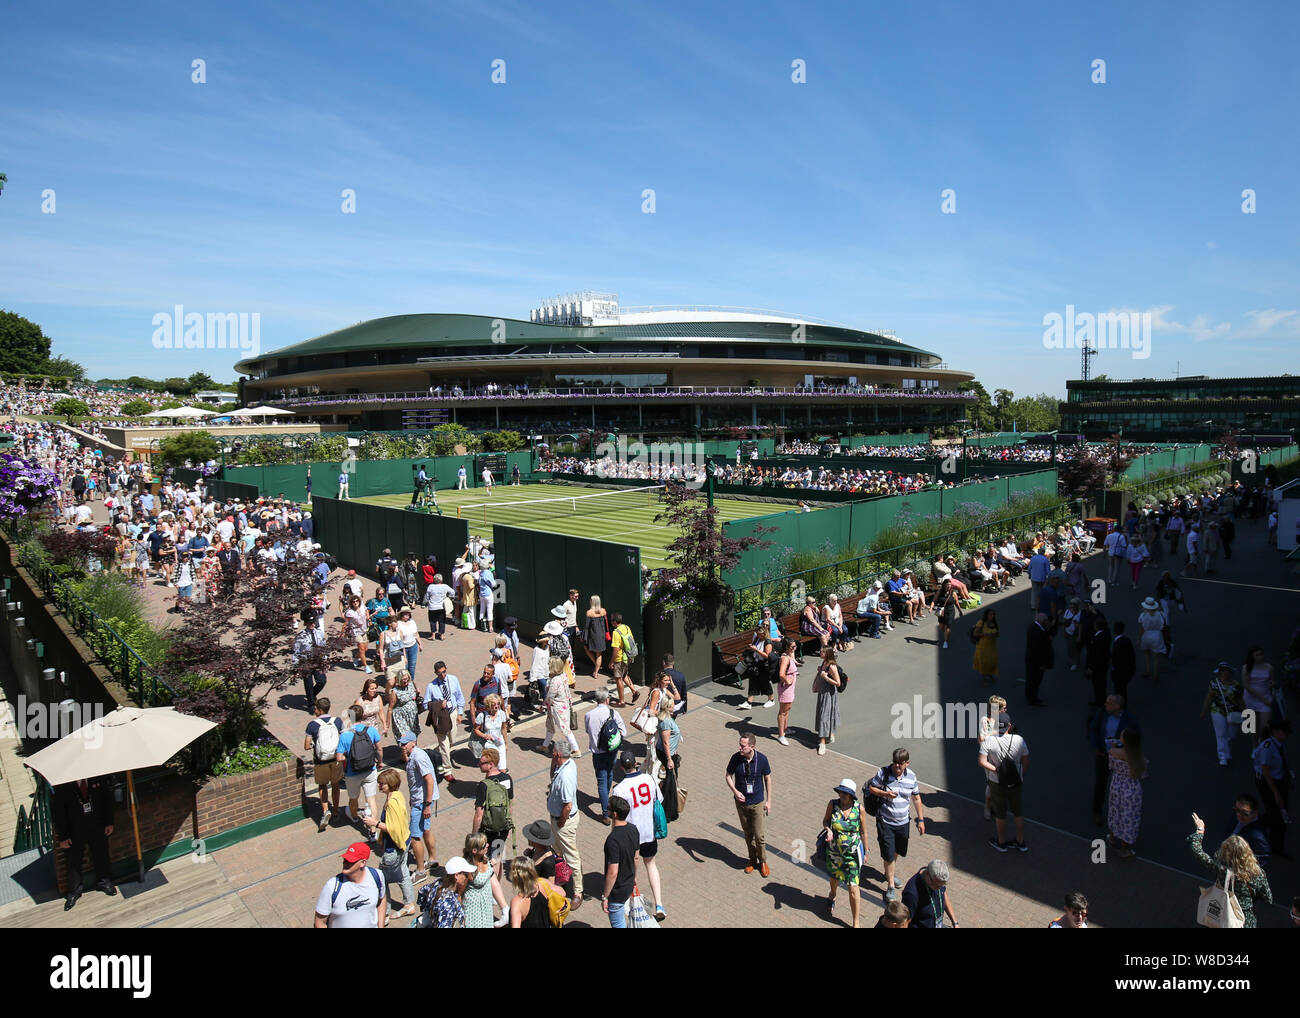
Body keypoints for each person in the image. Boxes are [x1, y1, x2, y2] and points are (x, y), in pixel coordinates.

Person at [610, 749, 667, 921]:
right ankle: (659, 904)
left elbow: (617, 818)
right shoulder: (649, 779)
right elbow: (660, 800)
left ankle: (632, 900)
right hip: (649, 831)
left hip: (630, 835)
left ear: (621, 767)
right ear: (636, 763)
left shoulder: (619, 789)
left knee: (631, 869)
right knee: (651, 865)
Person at [1188, 813, 1272, 928]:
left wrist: (1200, 829)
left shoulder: (1221, 869)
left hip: (1222, 915)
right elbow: (1268, 899)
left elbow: (1198, 852)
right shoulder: (1258, 873)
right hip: (1244, 919)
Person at [866, 748, 925, 902]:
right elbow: (872, 788)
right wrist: (885, 794)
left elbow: (916, 798)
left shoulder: (911, 777)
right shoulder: (883, 773)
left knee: (897, 851)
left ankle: (889, 873)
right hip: (885, 822)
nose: (897, 766)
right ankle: (891, 885)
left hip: (903, 822)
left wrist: (921, 819)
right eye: (895, 763)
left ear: (907, 763)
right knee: (888, 854)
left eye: (900, 764)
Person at [362, 768, 417, 923]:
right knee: (404, 872)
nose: (379, 786)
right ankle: (409, 904)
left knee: (382, 880)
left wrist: (375, 823)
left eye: (382, 784)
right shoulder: (397, 795)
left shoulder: (392, 803)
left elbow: (393, 828)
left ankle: (384, 913)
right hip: (404, 842)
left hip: (393, 847)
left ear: (390, 784)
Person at [53, 776, 116, 911]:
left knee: (101, 854)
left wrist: (109, 822)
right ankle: (74, 892)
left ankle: (105, 882)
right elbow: (59, 811)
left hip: (96, 825)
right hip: (74, 830)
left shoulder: (96, 778)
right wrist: (63, 836)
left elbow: (106, 800)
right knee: (73, 861)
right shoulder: (64, 785)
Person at [1088, 694, 1139, 825]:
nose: (1105, 705)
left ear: (1117, 706)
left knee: (1120, 786)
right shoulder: (1102, 713)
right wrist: (1096, 746)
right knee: (1100, 783)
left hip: (1121, 757)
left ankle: (1118, 814)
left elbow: (1136, 737)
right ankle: (1097, 811)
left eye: (1109, 703)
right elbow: (1093, 729)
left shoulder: (1129, 720)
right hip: (1103, 754)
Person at [726, 733, 772, 876]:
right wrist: (734, 790)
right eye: (740, 744)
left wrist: (769, 801)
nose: (740, 747)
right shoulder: (736, 758)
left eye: (743, 745)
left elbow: (767, 779)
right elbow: (728, 775)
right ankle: (752, 860)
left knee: (759, 835)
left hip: (757, 802)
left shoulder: (762, 759)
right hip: (741, 803)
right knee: (748, 833)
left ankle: (763, 860)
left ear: (752, 746)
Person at [820, 779, 864, 927]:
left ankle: (856, 922)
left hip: (851, 856)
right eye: (840, 792)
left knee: (853, 888)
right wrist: (829, 829)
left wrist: (866, 850)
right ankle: (832, 894)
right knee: (834, 879)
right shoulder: (833, 804)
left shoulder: (859, 809)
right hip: (834, 853)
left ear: (851, 795)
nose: (842, 795)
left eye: (845, 793)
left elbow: (863, 831)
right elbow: (825, 821)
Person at [980, 723, 1030, 852]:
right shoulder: (1019, 739)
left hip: (997, 782)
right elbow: (1026, 761)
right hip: (1015, 781)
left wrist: (996, 770)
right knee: (1018, 811)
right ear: (1009, 726)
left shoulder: (989, 741)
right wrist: (1021, 775)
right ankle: (1020, 842)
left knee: (1000, 813)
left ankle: (1001, 843)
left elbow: (982, 761)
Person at [546, 742, 584, 910]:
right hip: (557, 820)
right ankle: (562, 876)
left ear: (558, 755)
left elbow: (567, 805)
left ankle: (578, 892)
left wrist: (561, 821)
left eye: (553, 754)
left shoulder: (565, 775)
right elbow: (550, 777)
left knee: (571, 856)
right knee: (557, 851)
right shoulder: (566, 764)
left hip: (564, 822)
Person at [314, 842, 385, 928]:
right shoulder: (332, 886)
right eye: (345, 859)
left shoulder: (377, 876)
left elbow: (382, 899)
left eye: (351, 860)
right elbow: (319, 922)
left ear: (363, 863)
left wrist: (381, 926)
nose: (345, 862)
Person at [585, 688, 627, 823]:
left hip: (598, 753)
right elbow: (623, 732)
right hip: (612, 751)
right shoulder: (613, 713)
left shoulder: (589, 715)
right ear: (607, 699)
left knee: (601, 781)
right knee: (609, 774)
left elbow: (587, 730)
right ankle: (605, 798)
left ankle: (605, 813)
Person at [337, 708, 382, 834]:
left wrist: (348, 756)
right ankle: (373, 830)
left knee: (353, 798)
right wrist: (380, 762)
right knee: (371, 799)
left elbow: (339, 757)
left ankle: (354, 817)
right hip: (370, 769)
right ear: (363, 716)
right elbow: (379, 749)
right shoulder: (371, 730)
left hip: (352, 773)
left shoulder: (344, 735)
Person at [399, 733, 439, 876]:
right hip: (420, 799)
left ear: (413, 743)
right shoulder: (414, 755)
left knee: (415, 836)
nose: (401, 746)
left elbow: (429, 780)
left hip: (422, 802)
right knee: (426, 829)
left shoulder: (418, 757)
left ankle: (420, 871)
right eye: (401, 743)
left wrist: (427, 805)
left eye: (404, 744)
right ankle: (432, 859)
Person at [1252, 720, 1292, 857]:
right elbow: (1265, 770)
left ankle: (1273, 845)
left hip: (1279, 781)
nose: (1286, 735)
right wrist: (1276, 792)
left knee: (1278, 814)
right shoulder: (1268, 747)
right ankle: (1254, 831)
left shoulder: (1279, 745)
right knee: (1275, 815)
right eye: (1284, 732)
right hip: (1268, 783)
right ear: (1276, 732)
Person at [1107, 728, 1148, 859]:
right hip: (1132, 790)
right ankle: (1124, 849)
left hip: (1117, 786)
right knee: (1129, 818)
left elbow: (1111, 766)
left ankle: (1112, 837)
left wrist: (1113, 746)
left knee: (1115, 811)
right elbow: (1143, 775)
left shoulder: (1114, 752)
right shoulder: (1140, 759)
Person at [305, 698, 344, 832]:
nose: (314, 710)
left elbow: (306, 746)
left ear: (320, 710)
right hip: (336, 759)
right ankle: (336, 811)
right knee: (336, 784)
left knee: (322, 785)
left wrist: (313, 744)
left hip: (321, 761)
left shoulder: (312, 725)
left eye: (315, 708)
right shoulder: (338, 721)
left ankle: (325, 810)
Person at [601, 795, 640, 928]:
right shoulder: (633, 829)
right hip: (628, 883)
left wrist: (605, 896)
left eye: (608, 809)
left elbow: (613, 872)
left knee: (618, 924)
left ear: (615, 814)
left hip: (617, 891)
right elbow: (636, 857)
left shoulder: (613, 840)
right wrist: (634, 877)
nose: (607, 810)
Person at [472, 746, 514, 868]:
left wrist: (474, 836)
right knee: (498, 858)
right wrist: (509, 824)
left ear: (491, 764)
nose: (479, 764)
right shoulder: (507, 779)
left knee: (485, 860)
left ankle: (490, 885)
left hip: (488, 829)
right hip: (503, 827)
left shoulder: (484, 785)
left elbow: (479, 815)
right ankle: (498, 884)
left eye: (481, 763)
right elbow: (510, 804)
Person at [423, 662, 465, 783]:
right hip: (441, 717)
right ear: (435, 673)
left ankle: (435, 752)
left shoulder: (453, 679)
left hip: (452, 713)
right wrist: (438, 704)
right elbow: (426, 704)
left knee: (452, 741)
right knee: (445, 745)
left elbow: (459, 696)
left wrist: (460, 713)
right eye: (439, 673)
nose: (442, 675)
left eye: (444, 672)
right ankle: (447, 771)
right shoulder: (431, 686)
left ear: (446, 669)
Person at [1201, 661, 1245, 767]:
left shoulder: (1236, 686)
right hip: (1217, 711)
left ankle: (1226, 749)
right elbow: (1209, 697)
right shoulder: (1215, 684)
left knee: (1232, 735)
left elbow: (1240, 700)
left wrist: (1245, 711)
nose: (1224, 674)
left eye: (1226, 672)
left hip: (1233, 712)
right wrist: (1204, 711)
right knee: (1220, 734)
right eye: (1222, 672)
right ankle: (1223, 756)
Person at [461, 833, 510, 928]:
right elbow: (459, 892)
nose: (488, 845)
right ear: (475, 850)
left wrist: (492, 864)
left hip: (486, 904)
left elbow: (491, 875)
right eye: (484, 845)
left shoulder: (484, 858)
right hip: (473, 909)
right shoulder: (467, 869)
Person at [901, 859, 960, 928]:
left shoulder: (936, 881)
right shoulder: (912, 894)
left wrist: (955, 922)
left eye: (941, 886)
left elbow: (943, 894)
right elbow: (905, 922)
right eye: (937, 885)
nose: (938, 888)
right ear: (927, 873)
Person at [541, 657, 582, 757]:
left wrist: (543, 705)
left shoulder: (555, 680)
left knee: (565, 729)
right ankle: (545, 745)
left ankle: (576, 750)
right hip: (564, 705)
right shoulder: (563, 675)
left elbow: (550, 696)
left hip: (558, 708)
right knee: (550, 726)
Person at [292, 609, 328, 712]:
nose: (312, 624)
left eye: (313, 622)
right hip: (306, 662)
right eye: (310, 623)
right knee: (308, 683)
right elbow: (296, 651)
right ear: (305, 623)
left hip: (317, 661)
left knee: (322, 681)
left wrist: (325, 659)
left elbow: (323, 646)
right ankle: (311, 703)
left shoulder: (319, 633)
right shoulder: (301, 636)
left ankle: (311, 695)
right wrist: (296, 664)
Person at [1226, 795, 1271, 870]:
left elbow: (1260, 863)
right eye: (1236, 810)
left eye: (1245, 813)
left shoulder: (1258, 838)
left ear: (1255, 813)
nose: (1238, 815)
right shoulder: (1236, 818)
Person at [1242, 646, 1276, 744]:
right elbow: (1246, 686)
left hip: (1265, 698)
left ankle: (1262, 744)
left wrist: (1272, 684)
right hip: (1250, 700)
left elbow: (1272, 680)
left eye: (1261, 654)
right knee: (1252, 726)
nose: (1260, 656)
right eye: (1257, 655)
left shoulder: (1269, 667)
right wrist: (1262, 698)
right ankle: (1254, 746)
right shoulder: (1246, 668)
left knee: (1265, 726)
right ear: (1252, 656)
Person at [429, 857, 475, 929]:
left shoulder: (437, 883)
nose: (469, 878)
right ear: (456, 875)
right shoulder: (448, 905)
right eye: (466, 874)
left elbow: (422, 893)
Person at [813, 648, 842, 756]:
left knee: (824, 716)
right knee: (824, 714)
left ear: (827, 654)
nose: (820, 653)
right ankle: (830, 733)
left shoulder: (832, 666)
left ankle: (822, 742)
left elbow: (838, 683)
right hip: (822, 692)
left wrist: (825, 677)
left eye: (822, 652)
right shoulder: (824, 663)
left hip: (829, 694)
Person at [608, 611, 638, 707]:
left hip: (620, 659)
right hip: (628, 657)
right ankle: (634, 691)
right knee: (624, 674)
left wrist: (611, 662)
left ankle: (621, 702)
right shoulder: (626, 627)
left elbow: (616, 649)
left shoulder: (616, 632)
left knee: (618, 679)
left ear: (614, 622)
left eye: (611, 620)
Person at [1023, 612, 1053, 707]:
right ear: (1042, 621)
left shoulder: (1034, 627)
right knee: (1035, 680)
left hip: (1032, 660)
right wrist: (1042, 664)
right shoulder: (1036, 631)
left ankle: (1030, 696)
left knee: (1031, 679)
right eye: (1046, 621)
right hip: (1035, 662)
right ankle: (1032, 699)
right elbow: (1037, 649)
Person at [742, 630, 777, 708]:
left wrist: (756, 650)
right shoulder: (757, 639)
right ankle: (749, 702)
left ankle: (771, 700)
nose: (758, 635)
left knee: (765, 682)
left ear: (764, 634)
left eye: (760, 634)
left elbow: (767, 656)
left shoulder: (768, 642)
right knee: (752, 681)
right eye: (757, 634)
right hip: (756, 663)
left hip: (764, 665)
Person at [1137, 597, 1166, 680]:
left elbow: (1142, 628)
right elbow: (1163, 625)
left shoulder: (1143, 615)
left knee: (1146, 654)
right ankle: (1155, 674)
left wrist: (1139, 639)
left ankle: (1148, 670)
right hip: (1157, 636)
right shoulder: (1160, 614)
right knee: (1156, 657)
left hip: (1146, 635)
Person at [354, 676, 388, 748]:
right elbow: (353, 716)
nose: (374, 690)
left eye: (375, 688)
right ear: (366, 690)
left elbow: (381, 712)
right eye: (372, 689)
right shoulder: (360, 701)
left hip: (374, 727)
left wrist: (384, 725)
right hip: (363, 728)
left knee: (376, 747)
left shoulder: (378, 698)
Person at [387, 668, 420, 743]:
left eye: (407, 679)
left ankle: (413, 753)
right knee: (406, 739)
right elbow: (390, 708)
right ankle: (405, 753)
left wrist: (417, 693)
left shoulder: (411, 684)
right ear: (399, 679)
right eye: (403, 679)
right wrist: (387, 725)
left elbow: (414, 697)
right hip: (401, 717)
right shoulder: (395, 691)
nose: (406, 681)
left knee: (413, 737)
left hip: (412, 716)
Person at [775, 637, 798, 746]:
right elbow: (781, 674)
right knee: (783, 712)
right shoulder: (785, 658)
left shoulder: (789, 656)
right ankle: (781, 735)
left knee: (787, 709)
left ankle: (785, 729)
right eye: (792, 646)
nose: (795, 648)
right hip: (786, 688)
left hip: (790, 688)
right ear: (786, 647)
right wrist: (788, 681)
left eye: (795, 646)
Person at [583, 595, 610, 679]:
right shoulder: (603, 611)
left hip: (593, 635)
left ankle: (596, 669)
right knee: (599, 654)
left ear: (592, 602)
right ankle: (596, 670)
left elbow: (587, 627)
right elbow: (606, 624)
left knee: (586, 648)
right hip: (601, 635)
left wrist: (584, 637)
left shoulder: (589, 612)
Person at [1109, 620, 1136, 701]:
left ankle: (1120, 708)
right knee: (1122, 690)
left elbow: (1116, 658)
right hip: (1126, 671)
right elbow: (1132, 656)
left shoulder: (1118, 643)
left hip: (1119, 671)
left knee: (1119, 691)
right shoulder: (1127, 640)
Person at [971, 608, 999, 684]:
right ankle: (984, 677)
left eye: (993, 614)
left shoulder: (994, 623)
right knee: (984, 662)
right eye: (990, 614)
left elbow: (997, 633)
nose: (992, 616)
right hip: (983, 646)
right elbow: (975, 633)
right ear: (986, 615)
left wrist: (995, 634)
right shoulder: (981, 623)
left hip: (992, 646)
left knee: (992, 661)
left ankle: (989, 673)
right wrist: (986, 635)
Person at [423, 572, 454, 641]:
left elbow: (427, 597)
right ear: (441, 580)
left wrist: (425, 603)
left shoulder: (430, 586)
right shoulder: (445, 586)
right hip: (441, 607)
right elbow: (452, 592)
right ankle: (441, 635)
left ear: (434, 580)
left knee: (432, 621)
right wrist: (449, 597)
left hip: (432, 607)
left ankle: (433, 635)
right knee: (442, 621)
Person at [934, 577, 962, 649]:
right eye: (947, 584)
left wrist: (960, 611)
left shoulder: (953, 593)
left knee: (947, 626)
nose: (949, 586)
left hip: (950, 611)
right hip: (942, 611)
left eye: (950, 584)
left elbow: (956, 603)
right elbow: (934, 601)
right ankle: (947, 634)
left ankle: (945, 642)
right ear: (944, 585)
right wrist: (931, 608)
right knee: (941, 626)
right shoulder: (939, 592)